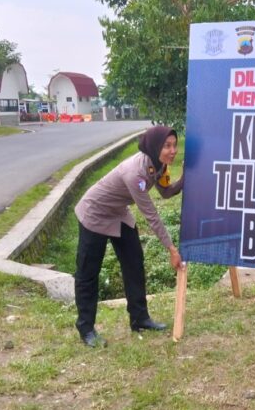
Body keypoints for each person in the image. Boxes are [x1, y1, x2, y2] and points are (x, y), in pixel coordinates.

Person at [73, 125, 184, 347]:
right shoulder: (135, 172)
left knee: (134, 262)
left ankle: (139, 318)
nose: (173, 151)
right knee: (88, 272)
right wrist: (172, 249)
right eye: (167, 146)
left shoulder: (158, 163)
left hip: (117, 212)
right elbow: (151, 215)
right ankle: (86, 328)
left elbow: (166, 191)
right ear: (155, 146)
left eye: (174, 145)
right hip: (95, 212)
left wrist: (187, 177)